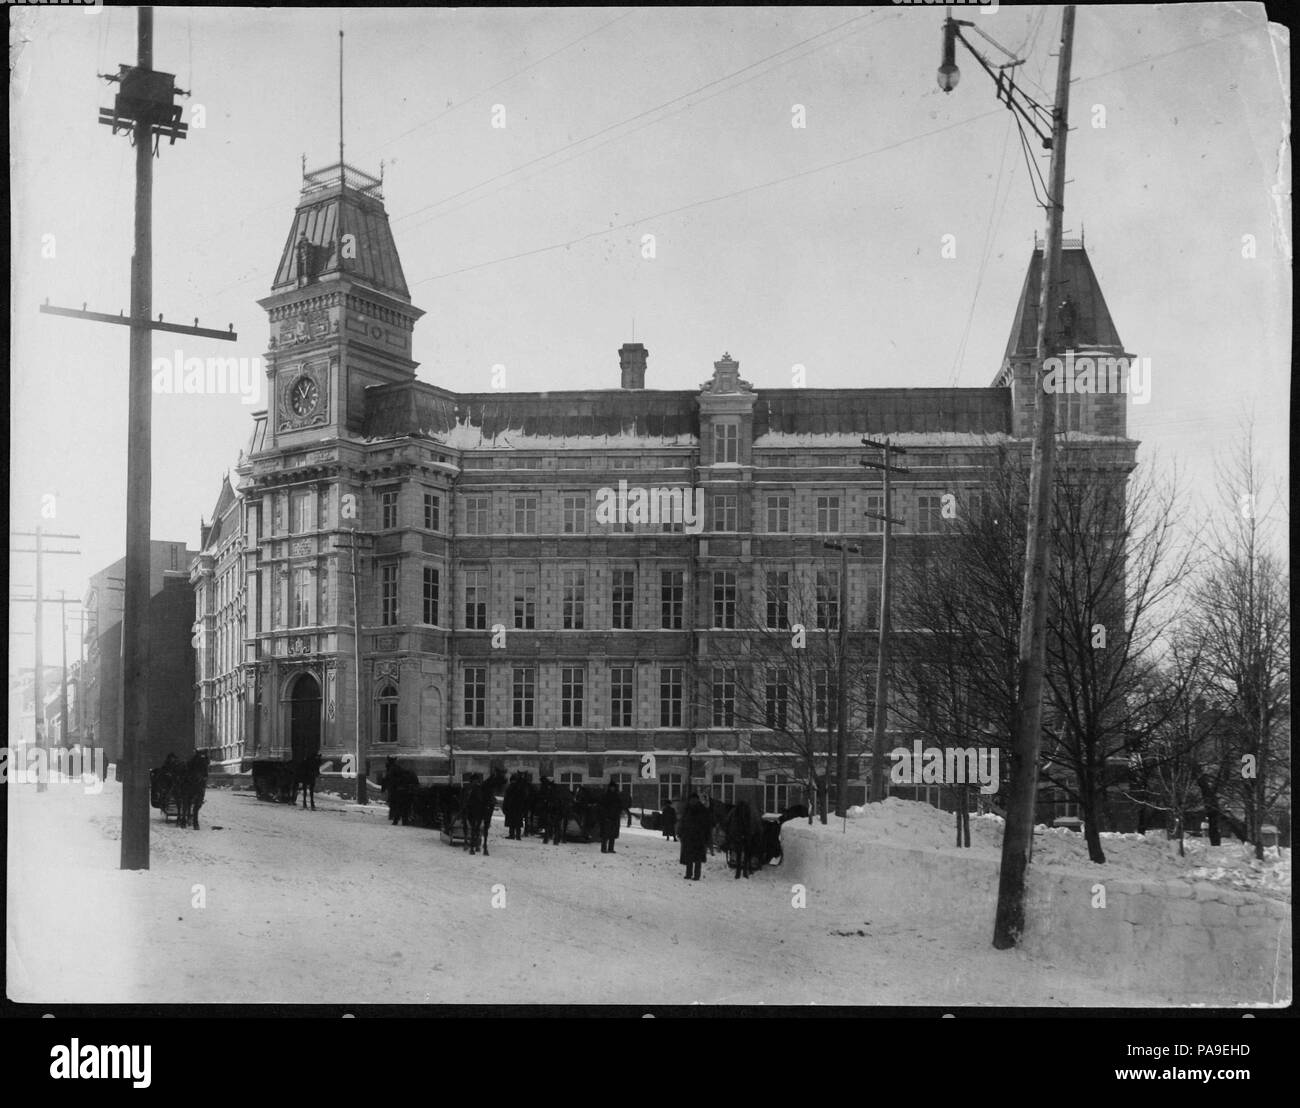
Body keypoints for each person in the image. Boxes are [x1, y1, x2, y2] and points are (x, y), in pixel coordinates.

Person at [680, 793, 709, 880]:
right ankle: (688, 874)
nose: (692, 801)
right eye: (691, 800)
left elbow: (706, 824)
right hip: (689, 837)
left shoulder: (702, 810)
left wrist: (705, 837)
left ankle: (696, 875)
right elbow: (683, 822)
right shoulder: (688, 809)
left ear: (697, 800)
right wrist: (681, 833)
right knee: (689, 857)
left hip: (698, 838)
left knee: (697, 858)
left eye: (694, 800)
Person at [598, 780, 623, 853]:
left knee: (612, 834)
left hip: (615, 817)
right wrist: (605, 816)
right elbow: (602, 806)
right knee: (605, 834)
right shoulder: (606, 795)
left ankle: (611, 848)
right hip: (607, 818)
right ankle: (603, 848)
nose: (612, 789)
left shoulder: (617, 796)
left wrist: (618, 813)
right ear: (609, 788)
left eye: (613, 787)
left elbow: (620, 806)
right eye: (611, 787)